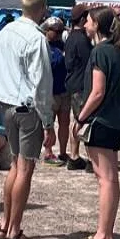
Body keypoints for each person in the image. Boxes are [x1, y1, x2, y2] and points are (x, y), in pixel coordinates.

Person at [0, 0, 54, 239]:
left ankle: (5, 224)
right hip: (28, 109)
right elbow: (42, 84)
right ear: (42, 8)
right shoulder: (36, 39)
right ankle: (14, 230)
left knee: (15, 166)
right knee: (25, 168)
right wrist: (48, 122)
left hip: (7, 106)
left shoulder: (4, 33)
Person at [72, 7, 120, 239]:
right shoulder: (116, 51)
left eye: (89, 21)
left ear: (97, 25)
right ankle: (105, 232)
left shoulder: (100, 52)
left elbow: (97, 91)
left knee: (106, 179)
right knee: (109, 178)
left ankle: (103, 236)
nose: (85, 25)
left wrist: (81, 118)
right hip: (115, 119)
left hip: (101, 120)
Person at [62, 12, 93, 170]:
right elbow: (90, 61)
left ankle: (74, 155)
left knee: (77, 120)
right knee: (85, 121)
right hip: (81, 84)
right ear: (81, 19)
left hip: (72, 83)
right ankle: (88, 159)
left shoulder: (70, 37)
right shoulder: (82, 39)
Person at [42, 19, 70, 164]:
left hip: (64, 89)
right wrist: (62, 57)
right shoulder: (43, 46)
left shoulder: (63, 45)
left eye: (61, 31)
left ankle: (63, 152)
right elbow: (48, 65)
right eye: (56, 31)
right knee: (49, 123)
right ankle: (48, 151)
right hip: (50, 91)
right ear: (47, 30)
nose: (59, 34)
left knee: (65, 122)